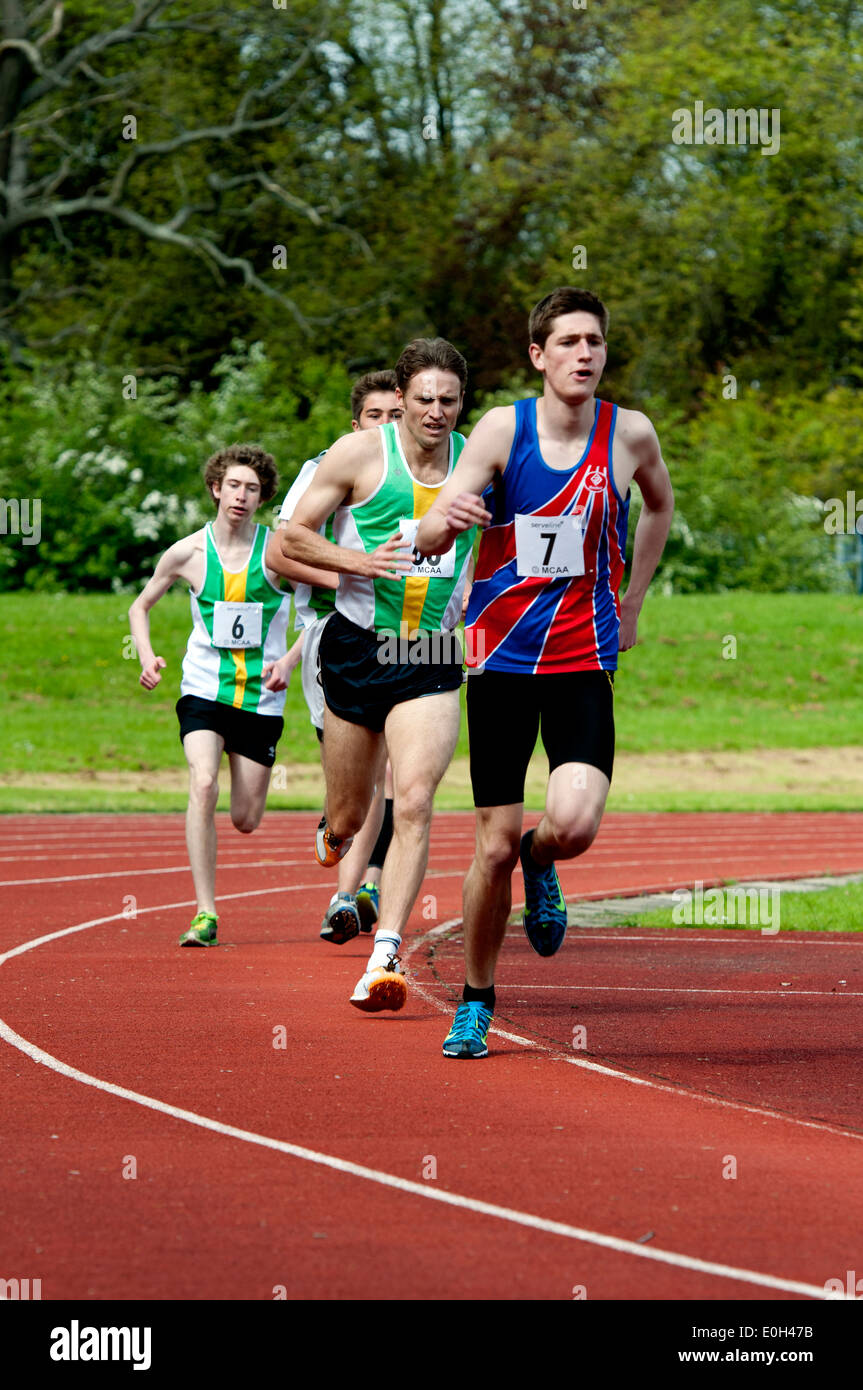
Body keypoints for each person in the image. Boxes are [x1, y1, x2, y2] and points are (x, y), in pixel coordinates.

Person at [415, 288, 675, 1057]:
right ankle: (476, 999)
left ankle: (542, 858)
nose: (584, 354)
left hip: (581, 656)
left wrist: (630, 603)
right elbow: (432, 531)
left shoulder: (628, 433)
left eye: (594, 341)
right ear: (538, 355)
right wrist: (445, 520)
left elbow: (658, 508)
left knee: (574, 825)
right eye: (567, 342)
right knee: (488, 848)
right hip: (498, 659)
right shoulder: (501, 428)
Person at [280, 338, 475, 1012]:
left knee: (414, 799)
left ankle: (384, 952)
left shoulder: (478, 464)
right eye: (424, 399)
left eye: (449, 400)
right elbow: (288, 541)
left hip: (429, 653)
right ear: (401, 398)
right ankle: (333, 832)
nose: (436, 412)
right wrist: (357, 564)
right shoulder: (358, 455)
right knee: (350, 813)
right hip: (357, 645)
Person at [129, 443, 296, 946]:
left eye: (252, 488)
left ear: (262, 496)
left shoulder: (278, 551)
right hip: (202, 688)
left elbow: (324, 609)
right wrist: (145, 655)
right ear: (215, 488)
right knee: (203, 783)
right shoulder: (187, 552)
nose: (241, 496)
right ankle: (205, 913)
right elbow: (141, 605)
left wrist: (289, 660)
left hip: (260, 698)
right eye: (233, 486)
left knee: (246, 819)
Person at [265, 371, 402, 944]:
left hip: (414, 636)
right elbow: (278, 554)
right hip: (335, 633)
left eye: (398, 414)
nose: (389, 427)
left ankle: (357, 892)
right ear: (355, 425)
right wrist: (355, 573)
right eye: (376, 416)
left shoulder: (437, 465)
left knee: (405, 773)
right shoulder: (329, 465)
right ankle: (346, 848)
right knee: (360, 776)